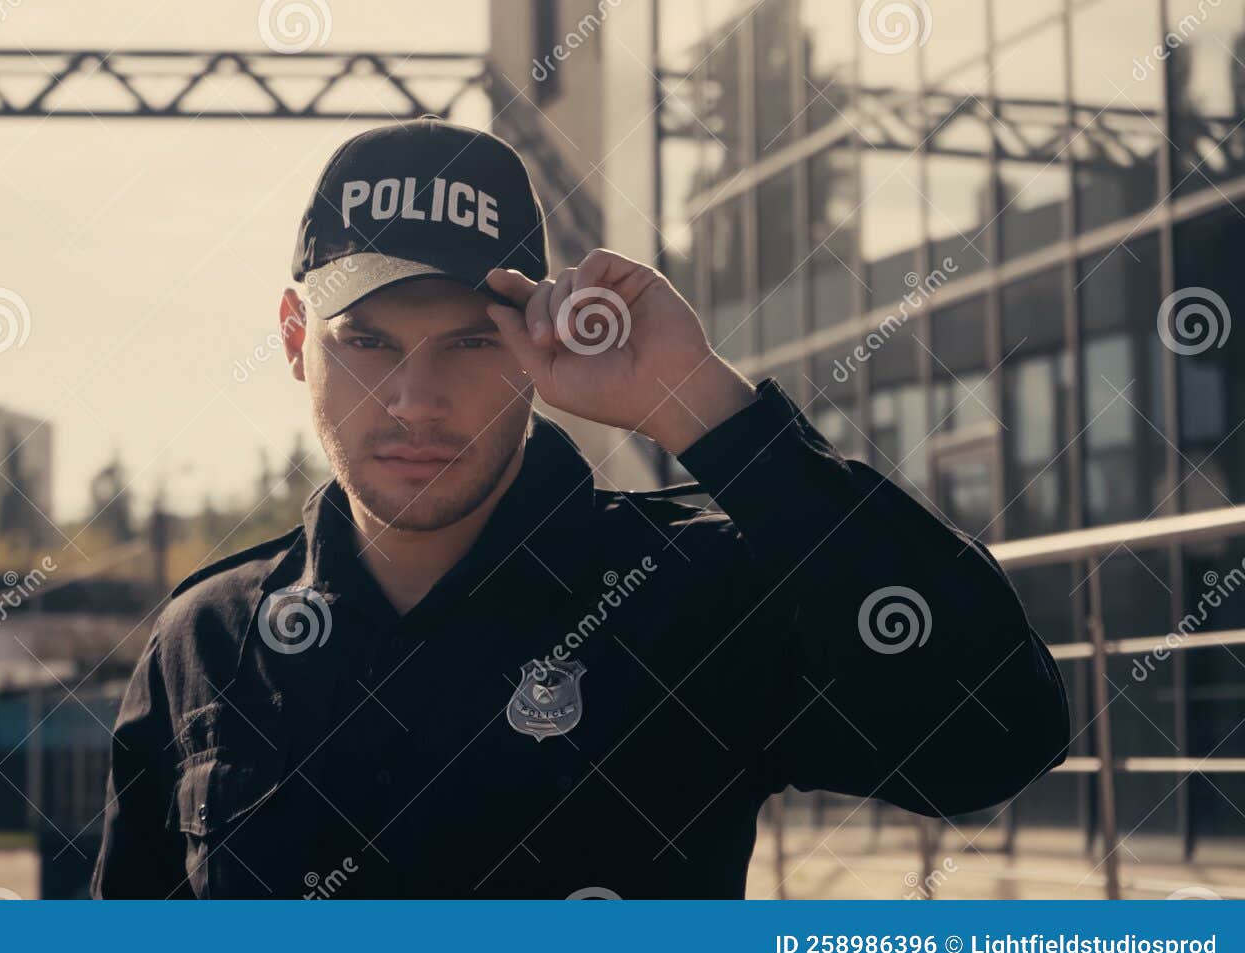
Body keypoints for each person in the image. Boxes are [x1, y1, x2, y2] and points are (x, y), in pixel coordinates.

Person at [93, 118, 1069, 899]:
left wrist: (701, 409)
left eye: (471, 345)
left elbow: (991, 740)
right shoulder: (209, 640)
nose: (414, 402)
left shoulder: (686, 598)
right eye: (369, 342)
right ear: (294, 335)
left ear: (534, 341)